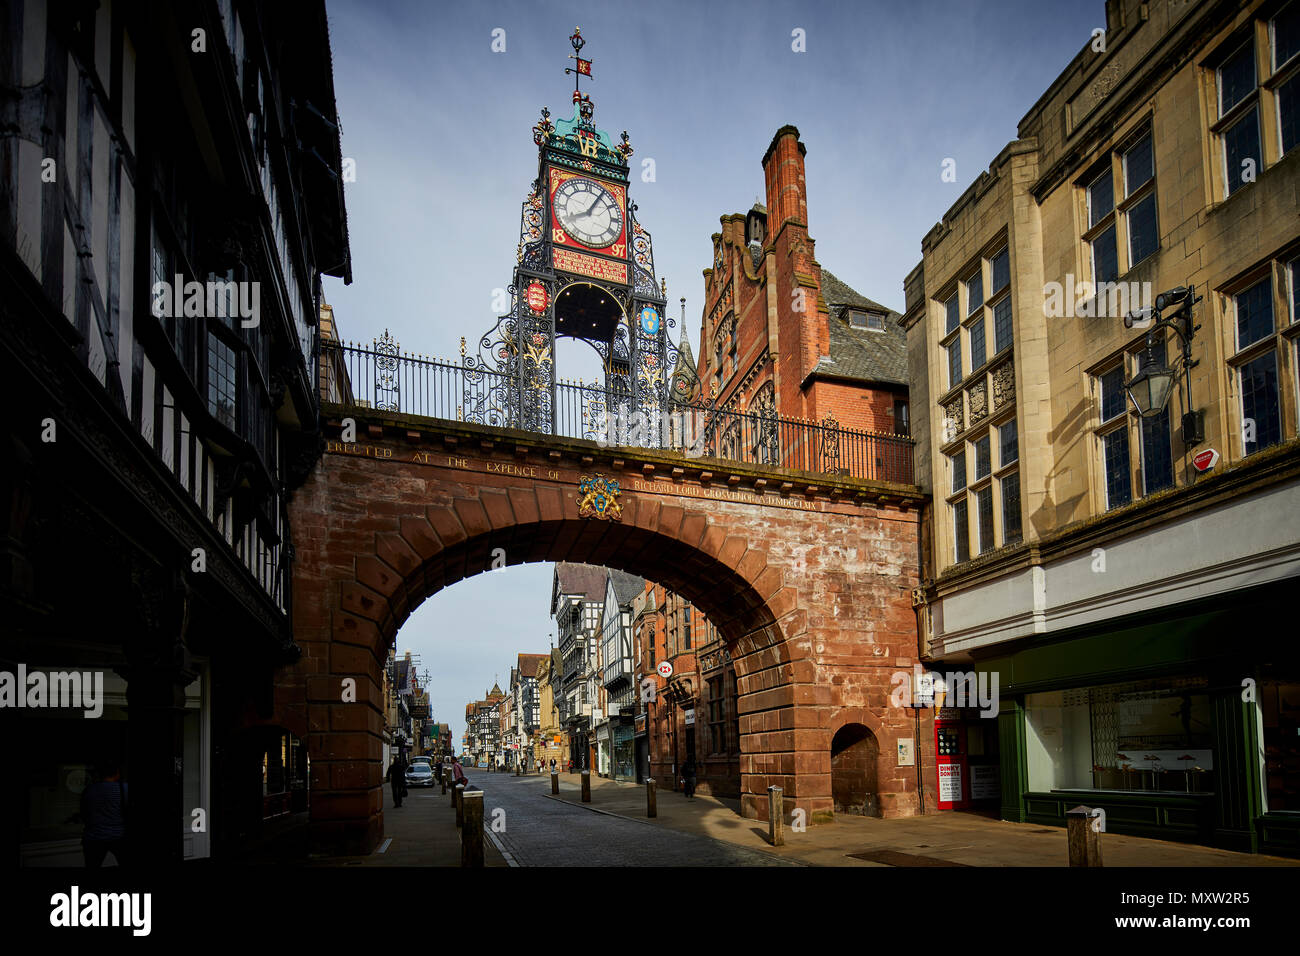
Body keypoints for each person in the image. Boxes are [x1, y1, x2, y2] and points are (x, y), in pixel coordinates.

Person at [81, 762, 128, 868]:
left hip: (93, 837)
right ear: (117, 773)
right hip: (118, 836)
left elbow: (84, 813)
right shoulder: (124, 789)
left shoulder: (89, 789)